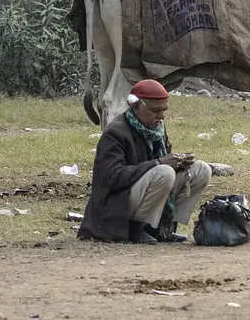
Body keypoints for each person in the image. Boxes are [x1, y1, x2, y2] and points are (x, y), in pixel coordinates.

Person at [78, 80, 213, 245]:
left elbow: (160, 168)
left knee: (201, 169)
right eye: (155, 111)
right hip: (118, 202)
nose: (161, 116)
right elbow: (112, 178)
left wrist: (179, 164)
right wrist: (157, 163)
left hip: (145, 189)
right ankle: (136, 229)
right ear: (135, 107)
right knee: (164, 172)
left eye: (164, 110)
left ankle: (165, 228)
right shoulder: (115, 132)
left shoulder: (157, 129)